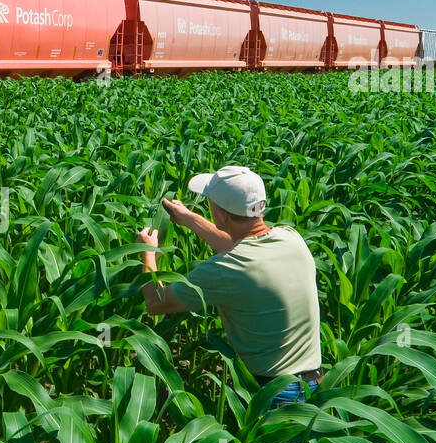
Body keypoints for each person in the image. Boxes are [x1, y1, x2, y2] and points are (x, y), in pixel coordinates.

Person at [136, 165, 322, 407]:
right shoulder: (291, 238)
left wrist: (147, 251)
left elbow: (156, 302)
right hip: (313, 385)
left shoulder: (225, 269)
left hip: (271, 394)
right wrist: (190, 219)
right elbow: (241, 247)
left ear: (222, 215)